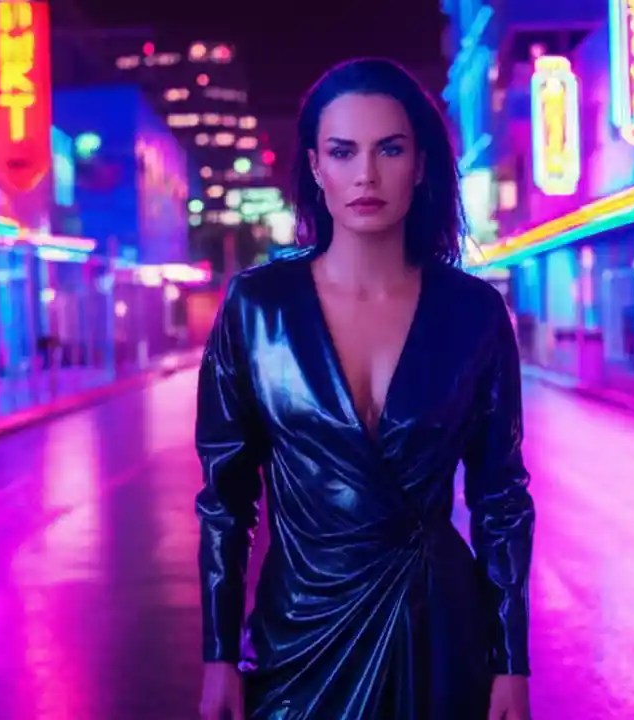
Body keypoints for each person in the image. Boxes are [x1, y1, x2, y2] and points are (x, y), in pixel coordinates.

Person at [195, 57, 535, 720]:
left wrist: (511, 663)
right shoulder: (257, 308)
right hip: (298, 635)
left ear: (422, 165)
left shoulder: (473, 313)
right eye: (344, 152)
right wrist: (217, 654)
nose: (366, 175)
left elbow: (501, 497)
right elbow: (224, 500)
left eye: (390, 149)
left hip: (440, 630)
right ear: (317, 168)